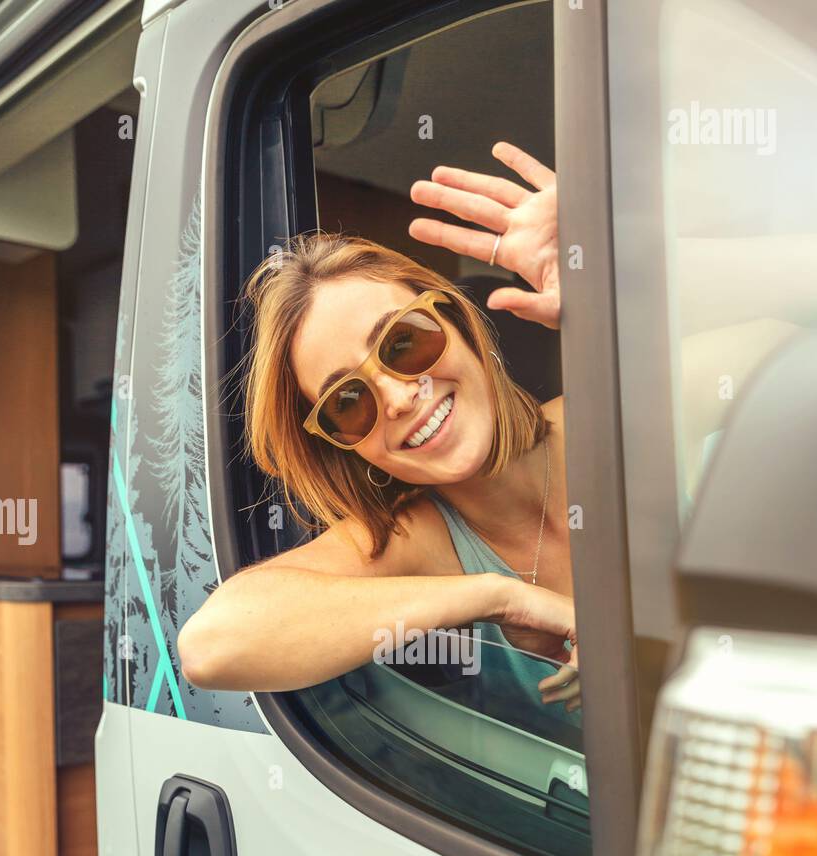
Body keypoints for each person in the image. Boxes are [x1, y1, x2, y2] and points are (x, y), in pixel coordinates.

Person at [178, 142, 579, 715]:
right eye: (349, 401)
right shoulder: (417, 539)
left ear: (456, 321)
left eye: (403, 342)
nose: (395, 397)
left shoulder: (622, 410)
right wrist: (502, 598)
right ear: (345, 446)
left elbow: (757, 333)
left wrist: (628, 274)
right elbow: (212, 644)